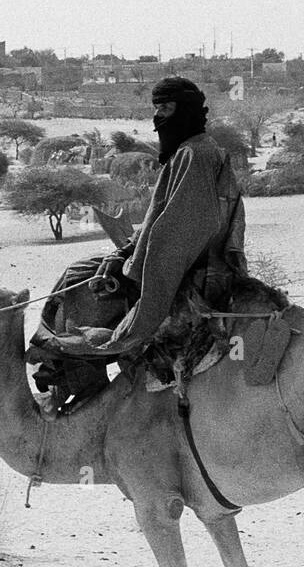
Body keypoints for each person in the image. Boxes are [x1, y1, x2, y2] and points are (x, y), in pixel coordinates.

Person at [63, 76, 246, 357]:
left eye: (166, 109)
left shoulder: (193, 154)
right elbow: (160, 217)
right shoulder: (192, 150)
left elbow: (175, 230)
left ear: (185, 111)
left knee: (82, 275)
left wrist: (134, 265)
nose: (158, 117)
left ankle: (113, 347)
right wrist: (125, 251)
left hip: (198, 267)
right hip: (186, 255)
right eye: (157, 109)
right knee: (89, 268)